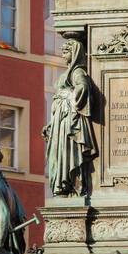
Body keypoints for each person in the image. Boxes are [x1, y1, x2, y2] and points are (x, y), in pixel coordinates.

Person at [43, 38, 97, 196]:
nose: (62, 53)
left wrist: (69, 98)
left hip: (69, 120)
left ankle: (70, 182)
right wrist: (52, 124)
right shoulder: (66, 73)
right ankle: (63, 182)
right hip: (61, 120)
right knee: (59, 153)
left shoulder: (77, 71)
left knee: (67, 151)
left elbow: (84, 87)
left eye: (66, 51)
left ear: (74, 53)